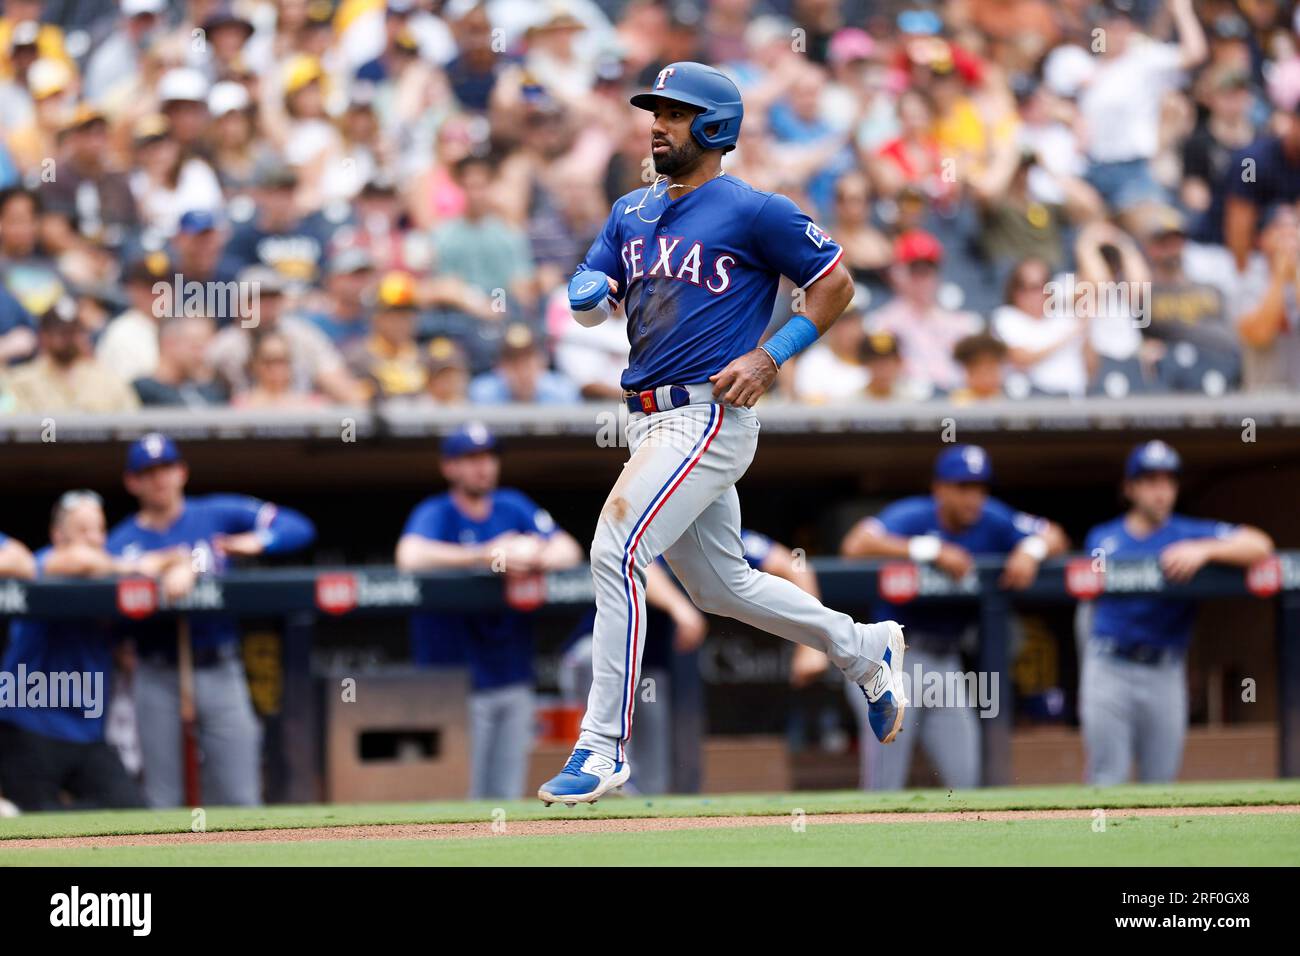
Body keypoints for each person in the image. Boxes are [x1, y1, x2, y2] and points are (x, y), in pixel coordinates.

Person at [539, 61, 907, 806]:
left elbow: (835, 283)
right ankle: (863, 647)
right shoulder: (629, 212)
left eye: (674, 113)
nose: (657, 124)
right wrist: (584, 291)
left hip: (707, 414)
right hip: (649, 422)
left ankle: (603, 747)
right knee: (720, 586)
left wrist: (774, 354)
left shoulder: (754, 209)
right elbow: (592, 301)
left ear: (714, 127)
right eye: (655, 112)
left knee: (616, 549)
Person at [106, 433, 317, 807]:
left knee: (240, 797)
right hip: (156, 670)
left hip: (219, 666)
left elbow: (299, 527)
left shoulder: (216, 513)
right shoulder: (123, 541)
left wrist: (261, 542)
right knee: (163, 802)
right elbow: (104, 607)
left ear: (182, 472)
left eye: (166, 468)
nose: (159, 479)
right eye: (148, 471)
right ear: (132, 481)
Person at [840, 445, 1067, 789]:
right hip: (891, 661)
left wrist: (1030, 550)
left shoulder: (993, 518)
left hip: (945, 663)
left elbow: (1054, 534)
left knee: (966, 781)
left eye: (979, 488)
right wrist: (928, 549)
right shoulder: (915, 516)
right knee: (883, 786)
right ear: (939, 489)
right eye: (962, 488)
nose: (972, 498)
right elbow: (854, 545)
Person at [395, 423, 583, 799]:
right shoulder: (439, 512)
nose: (483, 467)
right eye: (470, 459)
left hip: (512, 672)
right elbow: (409, 556)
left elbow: (570, 550)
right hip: (454, 678)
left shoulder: (512, 505)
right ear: (450, 467)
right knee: (460, 796)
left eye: (488, 458)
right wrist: (485, 554)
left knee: (507, 795)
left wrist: (535, 556)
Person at [1079, 441, 1273, 785]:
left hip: (1164, 670)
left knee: (1161, 783)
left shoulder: (1188, 532)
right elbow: (1084, 604)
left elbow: (1260, 544)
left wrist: (1205, 550)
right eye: (1151, 481)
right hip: (1109, 666)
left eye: (1168, 481)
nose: (1161, 491)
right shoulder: (1103, 538)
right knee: (1106, 778)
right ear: (1130, 487)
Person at [0, 491, 188, 811]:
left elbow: (179, 555)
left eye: (99, 530)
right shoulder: (47, 562)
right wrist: (138, 565)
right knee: (37, 833)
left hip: (87, 733)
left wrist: (181, 566)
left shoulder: (110, 572)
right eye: (82, 529)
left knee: (132, 815)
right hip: (29, 724)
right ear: (58, 535)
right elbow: (78, 561)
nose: (94, 538)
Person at [6, 298, 140, 413]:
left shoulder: (107, 380)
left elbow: (132, 424)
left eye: (74, 332)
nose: (69, 339)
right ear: (43, 336)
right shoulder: (20, 382)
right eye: (62, 333)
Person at [469, 323, 580, 405]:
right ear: (499, 366)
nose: (522, 370)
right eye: (513, 362)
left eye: (527, 361)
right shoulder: (482, 393)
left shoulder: (562, 391)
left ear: (542, 362)